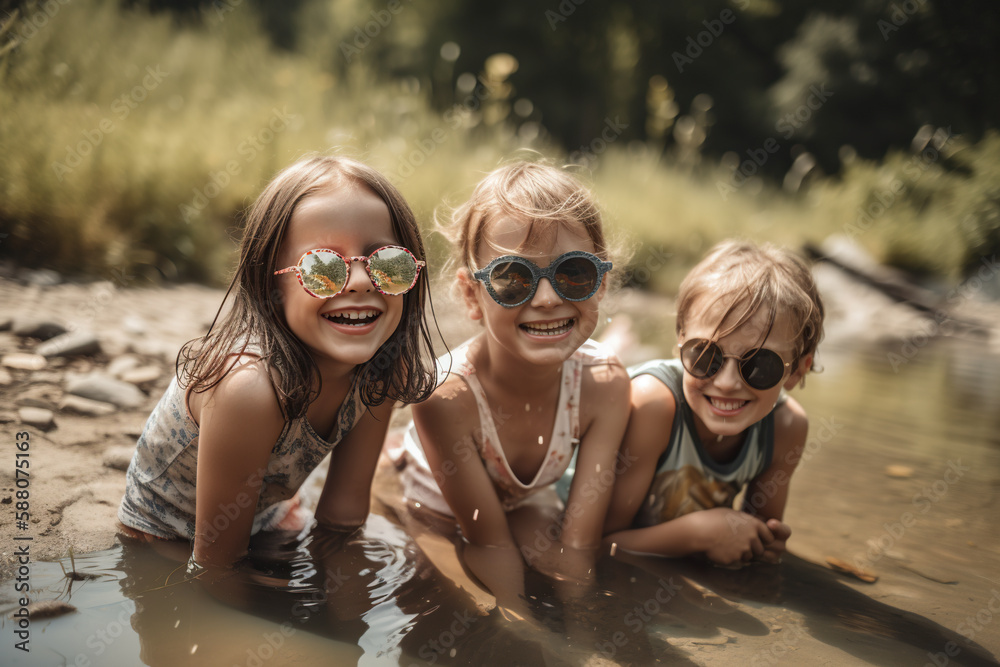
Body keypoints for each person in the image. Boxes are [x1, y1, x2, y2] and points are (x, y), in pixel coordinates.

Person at [117, 155, 437, 568]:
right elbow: (215, 568)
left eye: (388, 265)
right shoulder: (248, 389)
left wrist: (349, 614)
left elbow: (343, 517)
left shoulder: (384, 368)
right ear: (271, 282)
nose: (360, 282)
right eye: (322, 268)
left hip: (268, 516)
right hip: (166, 539)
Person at [394, 160, 631, 611]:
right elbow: (489, 543)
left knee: (552, 550)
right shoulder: (444, 398)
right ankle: (398, 459)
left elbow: (581, 544)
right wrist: (525, 637)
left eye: (574, 273)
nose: (546, 299)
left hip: (521, 499)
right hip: (437, 506)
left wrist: (585, 640)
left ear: (600, 283)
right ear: (471, 296)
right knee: (442, 586)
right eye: (512, 279)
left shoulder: (605, 385)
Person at [603, 240, 824, 567]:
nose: (727, 382)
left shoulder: (785, 427)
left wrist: (762, 543)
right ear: (679, 344)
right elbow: (603, 543)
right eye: (706, 355)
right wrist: (700, 534)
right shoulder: (652, 406)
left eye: (760, 365)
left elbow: (757, 530)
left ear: (797, 372)